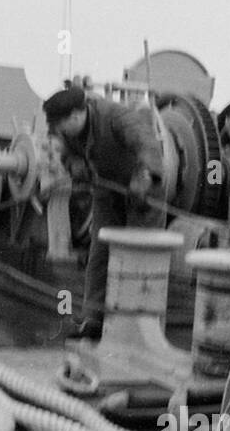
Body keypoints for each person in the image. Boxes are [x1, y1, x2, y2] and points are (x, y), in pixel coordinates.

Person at [43, 86, 165, 340]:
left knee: (138, 255)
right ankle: (93, 320)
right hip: (107, 191)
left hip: (143, 190)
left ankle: (135, 328)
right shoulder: (66, 130)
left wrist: (143, 178)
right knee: (99, 255)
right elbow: (67, 156)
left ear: (77, 115)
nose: (60, 131)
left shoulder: (117, 117)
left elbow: (148, 145)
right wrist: (77, 167)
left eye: (62, 125)